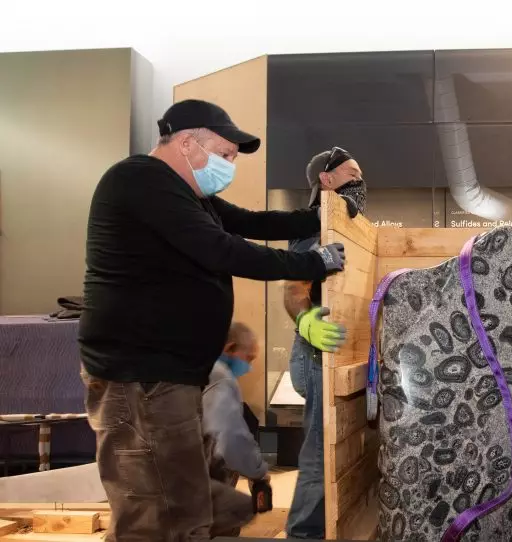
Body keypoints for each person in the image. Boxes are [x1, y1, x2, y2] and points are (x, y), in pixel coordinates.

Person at [79, 99, 346, 542]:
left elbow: (252, 222)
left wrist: (322, 213)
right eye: (225, 154)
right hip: (140, 375)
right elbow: (221, 249)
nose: (230, 165)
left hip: (169, 375)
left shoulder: (191, 195)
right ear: (186, 143)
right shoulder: (139, 179)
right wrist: (312, 263)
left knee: (183, 503)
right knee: (159, 514)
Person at [284, 147, 366, 539]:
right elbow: (294, 289)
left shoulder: (346, 227)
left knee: (337, 446)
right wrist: (306, 320)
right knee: (320, 447)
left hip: (334, 352)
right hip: (317, 351)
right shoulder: (313, 228)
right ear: (327, 180)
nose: (361, 183)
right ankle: (303, 533)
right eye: (352, 174)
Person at [203, 322, 268, 537]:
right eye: (248, 358)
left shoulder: (198, 366)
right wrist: (258, 473)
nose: (249, 368)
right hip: (191, 478)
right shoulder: (220, 377)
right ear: (229, 348)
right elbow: (231, 439)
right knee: (238, 510)